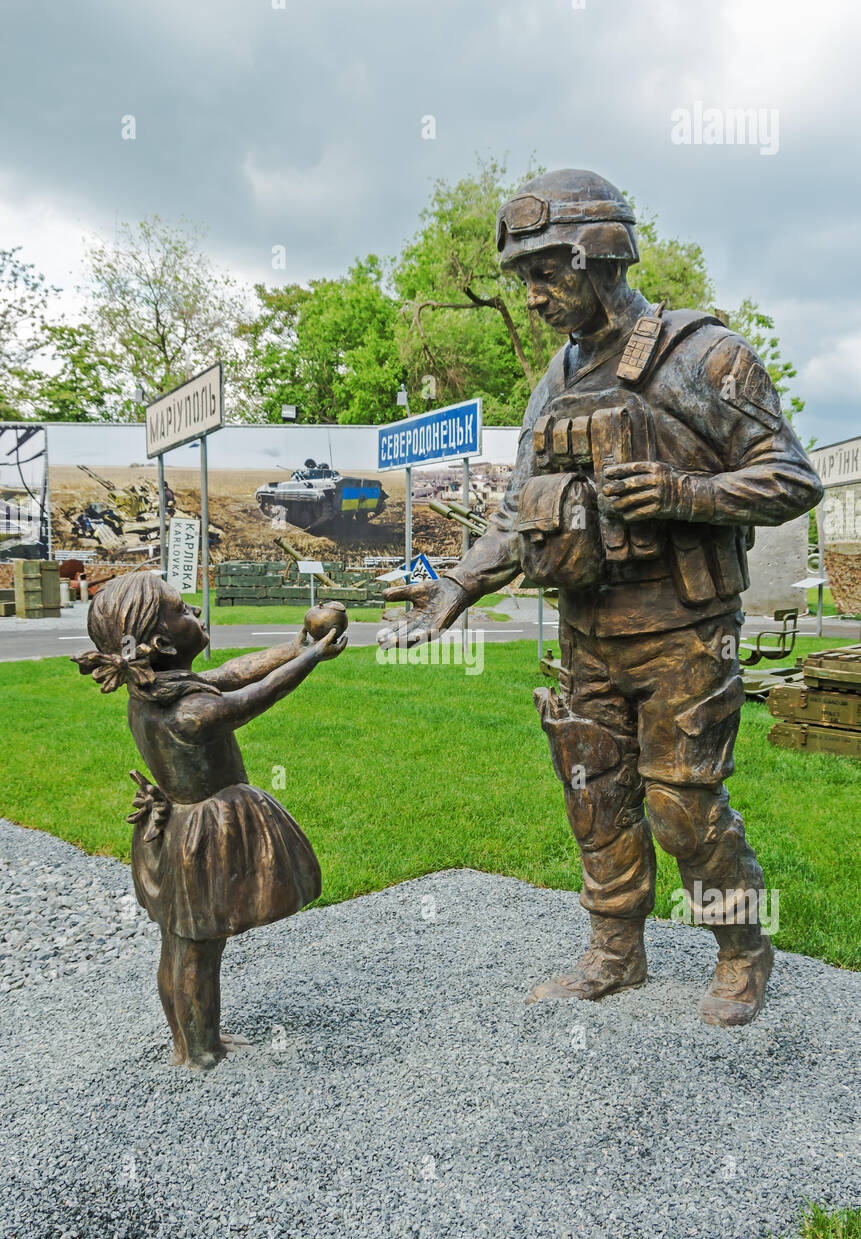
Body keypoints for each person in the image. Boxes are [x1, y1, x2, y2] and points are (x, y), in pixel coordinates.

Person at [380, 168, 824, 1027]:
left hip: (684, 632)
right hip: (585, 629)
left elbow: (790, 477)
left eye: (550, 273)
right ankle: (615, 950)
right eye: (524, 279)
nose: (537, 296)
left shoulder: (704, 355)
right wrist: (454, 593)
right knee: (593, 792)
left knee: (683, 808)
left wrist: (682, 493)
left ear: (606, 254)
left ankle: (740, 951)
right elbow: (517, 512)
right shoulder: (553, 382)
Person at [73, 572, 346, 1069]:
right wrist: (312, 657)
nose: (194, 611)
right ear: (159, 641)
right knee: (199, 947)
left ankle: (189, 1039)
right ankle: (200, 1050)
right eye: (181, 609)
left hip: (172, 826)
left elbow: (234, 673)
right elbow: (250, 699)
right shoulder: (188, 713)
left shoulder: (158, 689)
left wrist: (294, 646)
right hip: (201, 835)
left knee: (178, 941)